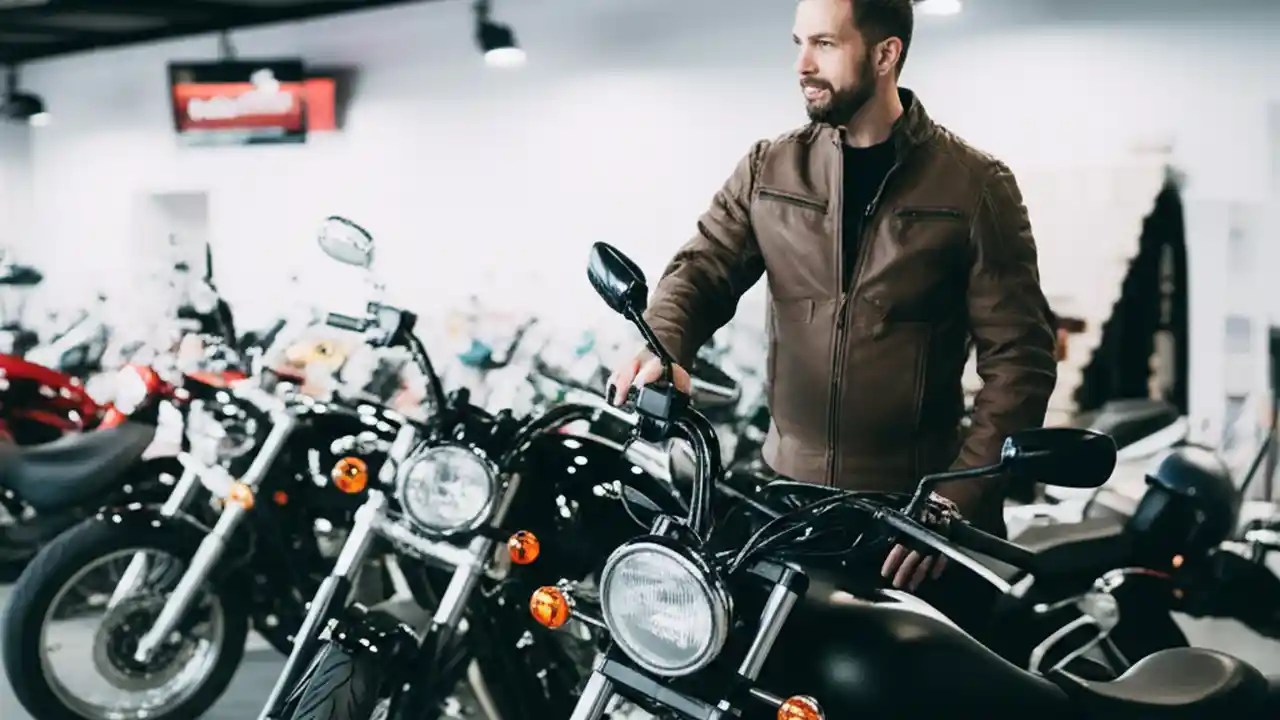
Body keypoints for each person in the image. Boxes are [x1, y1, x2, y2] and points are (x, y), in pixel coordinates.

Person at [607, 0, 1057, 595]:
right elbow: (703, 268)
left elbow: (1020, 361)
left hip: (912, 521)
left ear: (884, 54)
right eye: (798, 42)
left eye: (824, 44)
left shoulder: (975, 186)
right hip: (786, 505)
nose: (802, 64)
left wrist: (957, 501)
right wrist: (663, 344)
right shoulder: (770, 169)